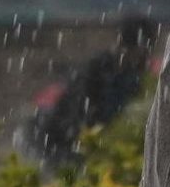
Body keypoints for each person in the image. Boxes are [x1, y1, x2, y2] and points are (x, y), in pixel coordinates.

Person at [24, 13, 155, 168]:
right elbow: (77, 114)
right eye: (144, 50)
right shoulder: (98, 69)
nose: (147, 56)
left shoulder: (135, 78)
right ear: (127, 46)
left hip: (78, 140)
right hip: (54, 137)